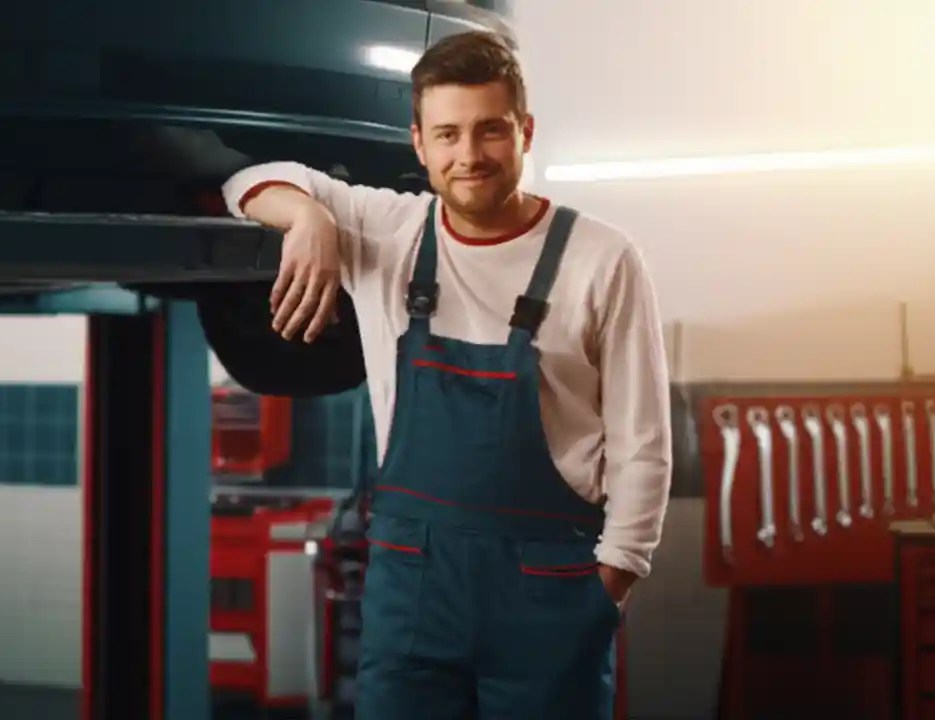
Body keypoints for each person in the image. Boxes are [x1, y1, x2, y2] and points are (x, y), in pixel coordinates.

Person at [222, 29, 672, 720]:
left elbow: (643, 444)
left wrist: (610, 583)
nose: (469, 156)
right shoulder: (391, 231)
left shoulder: (603, 260)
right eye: (449, 134)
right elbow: (243, 182)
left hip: (551, 590)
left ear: (525, 132)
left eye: (490, 131)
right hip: (412, 591)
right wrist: (308, 218)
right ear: (420, 143)